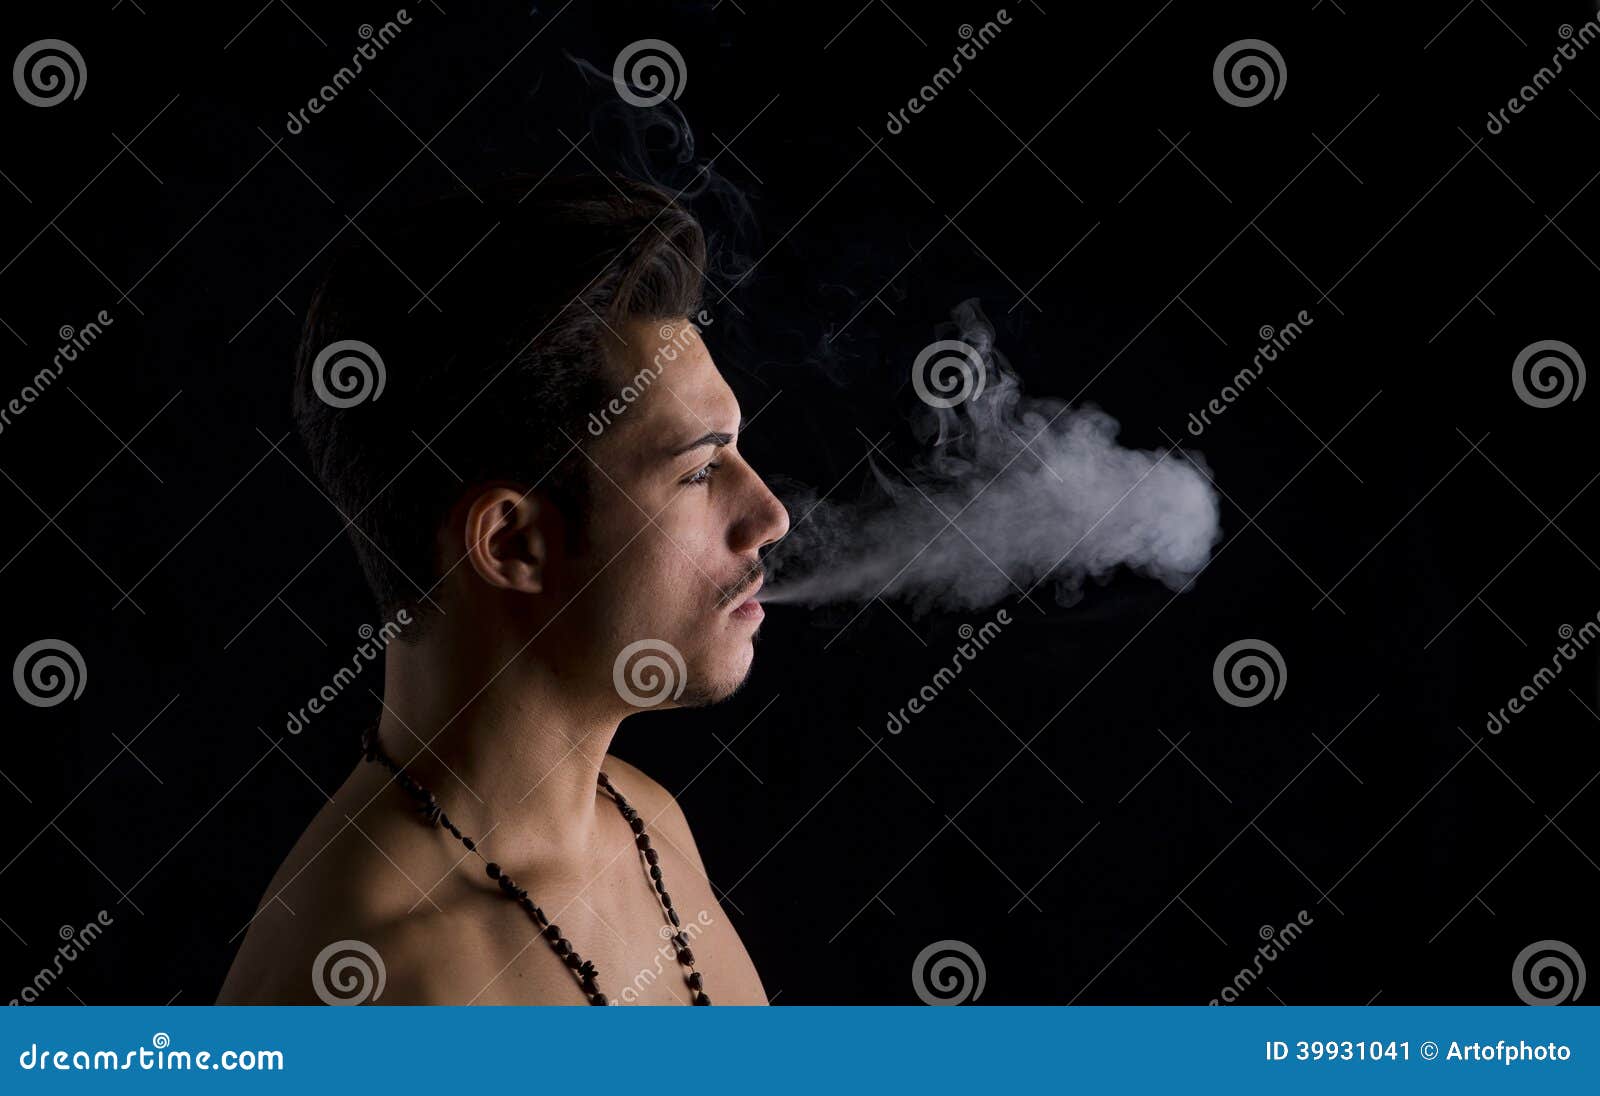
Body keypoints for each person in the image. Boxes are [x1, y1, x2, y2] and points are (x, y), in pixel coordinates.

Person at [218, 174, 788, 1005]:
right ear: (513, 543)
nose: (769, 514)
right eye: (701, 470)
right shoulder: (380, 987)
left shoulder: (646, 822)